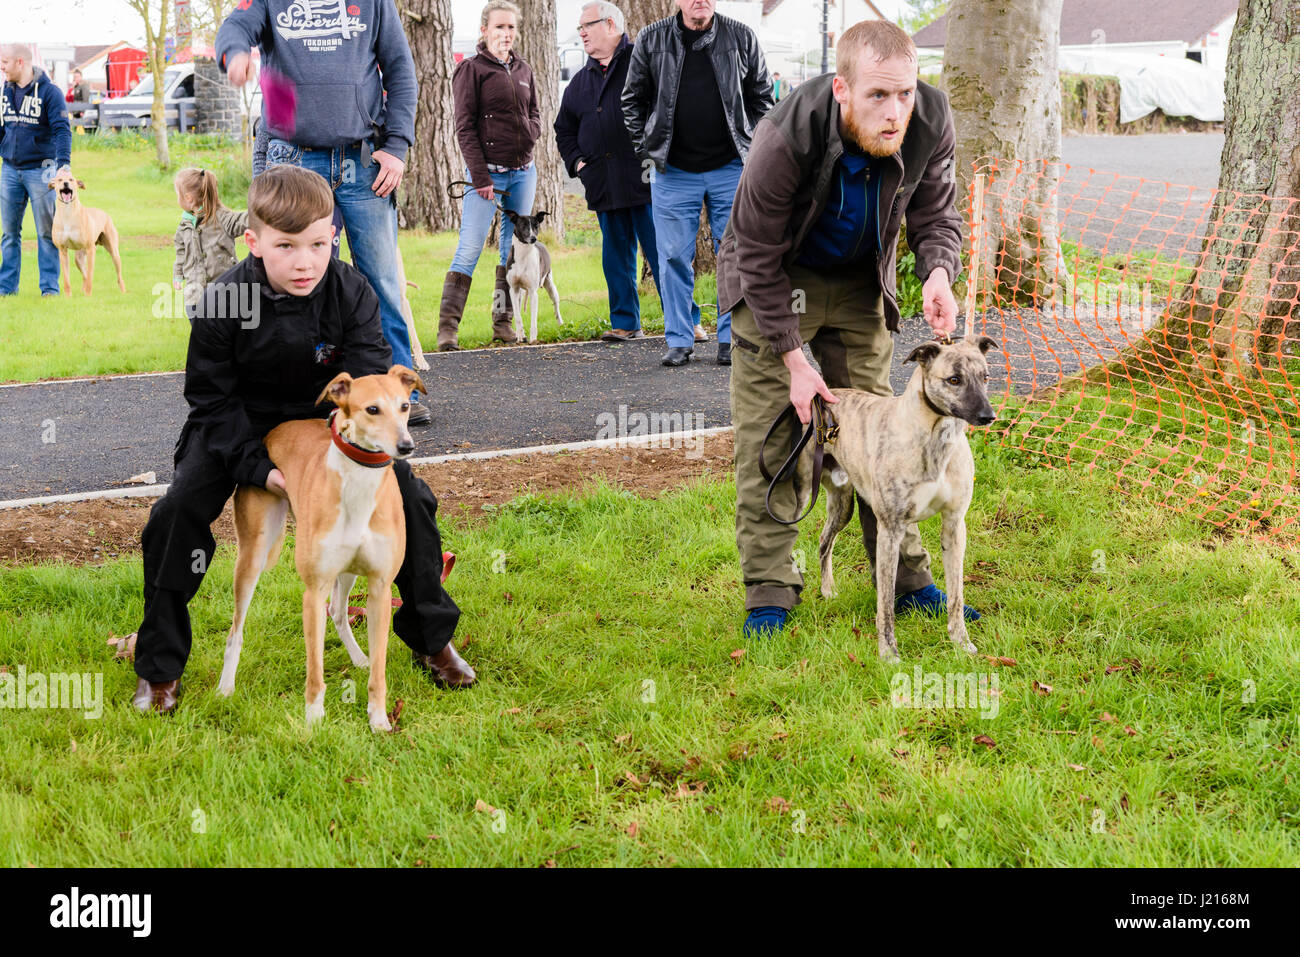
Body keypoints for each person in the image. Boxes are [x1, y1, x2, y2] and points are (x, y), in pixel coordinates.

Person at [129, 165, 475, 714]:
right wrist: (259, 469)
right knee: (177, 511)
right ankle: (159, 666)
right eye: (286, 246)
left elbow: (369, 389)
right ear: (254, 241)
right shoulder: (222, 300)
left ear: (333, 237)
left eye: (318, 243)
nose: (305, 260)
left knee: (410, 498)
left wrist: (357, 450)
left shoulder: (351, 291)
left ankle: (430, 637)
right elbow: (210, 401)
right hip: (236, 427)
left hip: (327, 427)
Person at [716, 19, 978, 639]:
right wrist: (793, 360)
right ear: (841, 89)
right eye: (878, 96)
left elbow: (936, 211)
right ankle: (771, 591)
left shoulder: (931, 119)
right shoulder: (784, 134)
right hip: (774, 278)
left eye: (906, 94)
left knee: (889, 434)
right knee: (773, 437)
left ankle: (909, 581)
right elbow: (754, 252)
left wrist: (938, 273)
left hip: (861, 281)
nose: (896, 112)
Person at [215, 0, 432, 426]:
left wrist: (398, 146)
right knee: (301, 280)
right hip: (294, 157)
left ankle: (395, 390)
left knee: (383, 280)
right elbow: (236, 26)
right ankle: (307, 392)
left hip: (365, 161)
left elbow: (402, 72)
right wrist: (236, 52)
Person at [621, 0, 773, 367]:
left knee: (733, 254)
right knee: (672, 256)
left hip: (731, 168)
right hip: (672, 171)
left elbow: (764, 100)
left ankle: (729, 337)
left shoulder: (742, 37)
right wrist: (650, 150)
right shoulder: (650, 39)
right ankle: (679, 338)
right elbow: (632, 102)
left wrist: (752, 151)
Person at [554, 1, 662, 343]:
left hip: (647, 179)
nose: (582, 32)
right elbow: (564, 129)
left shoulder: (641, 62)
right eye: (580, 27)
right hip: (604, 181)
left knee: (664, 254)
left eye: (588, 25)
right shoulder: (580, 81)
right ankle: (626, 323)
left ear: (612, 25)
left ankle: (685, 322)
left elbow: (666, 111)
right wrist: (579, 164)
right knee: (616, 258)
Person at [438, 0, 541, 351]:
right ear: (485, 30)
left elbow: (536, 114)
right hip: (486, 178)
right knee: (469, 248)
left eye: (511, 27)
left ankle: (502, 322)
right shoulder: (471, 70)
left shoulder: (524, 69)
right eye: (500, 27)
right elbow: (464, 128)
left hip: (523, 174)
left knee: (509, 253)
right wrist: (480, 177)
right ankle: (447, 330)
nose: (506, 34)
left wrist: (531, 133)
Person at [0, 42, 70, 297]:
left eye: (5, 61)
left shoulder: (50, 92)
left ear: (21, 62)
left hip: (42, 171)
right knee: (9, 234)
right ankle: (6, 289)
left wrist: (63, 165)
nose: (1, 66)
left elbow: (62, 129)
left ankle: (49, 290)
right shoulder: (4, 91)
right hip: (9, 170)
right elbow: (3, 128)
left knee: (46, 232)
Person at [172, 167, 249, 318]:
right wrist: (178, 274)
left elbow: (245, 220)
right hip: (194, 296)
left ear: (188, 198)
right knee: (201, 334)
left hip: (224, 296)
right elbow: (180, 251)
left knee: (225, 335)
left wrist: (266, 210)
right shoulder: (185, 225)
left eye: (177, 194)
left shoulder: (223, 218)